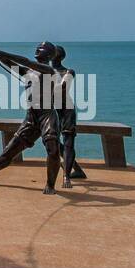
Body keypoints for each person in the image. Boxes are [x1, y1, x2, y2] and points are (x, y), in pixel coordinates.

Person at [0, 41, 62, 194]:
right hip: (31, 116)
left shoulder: (48, 70)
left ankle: (50, 185)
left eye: (42, 48)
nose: (38, 49)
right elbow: (12, 64)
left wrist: (1, 53)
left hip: (46, 115)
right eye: (37, 47)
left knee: (53, 150)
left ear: (49, 55)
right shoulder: (29, 73)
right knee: (9, 151)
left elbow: (25, 61)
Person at [51, 45, 86, 187]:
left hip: (66, 111)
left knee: (68, 143)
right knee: (51, 140)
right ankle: (76, 169)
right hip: (53, 110)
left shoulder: (69, 72)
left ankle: (66, 176)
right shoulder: (45, 73)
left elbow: (63, 87)